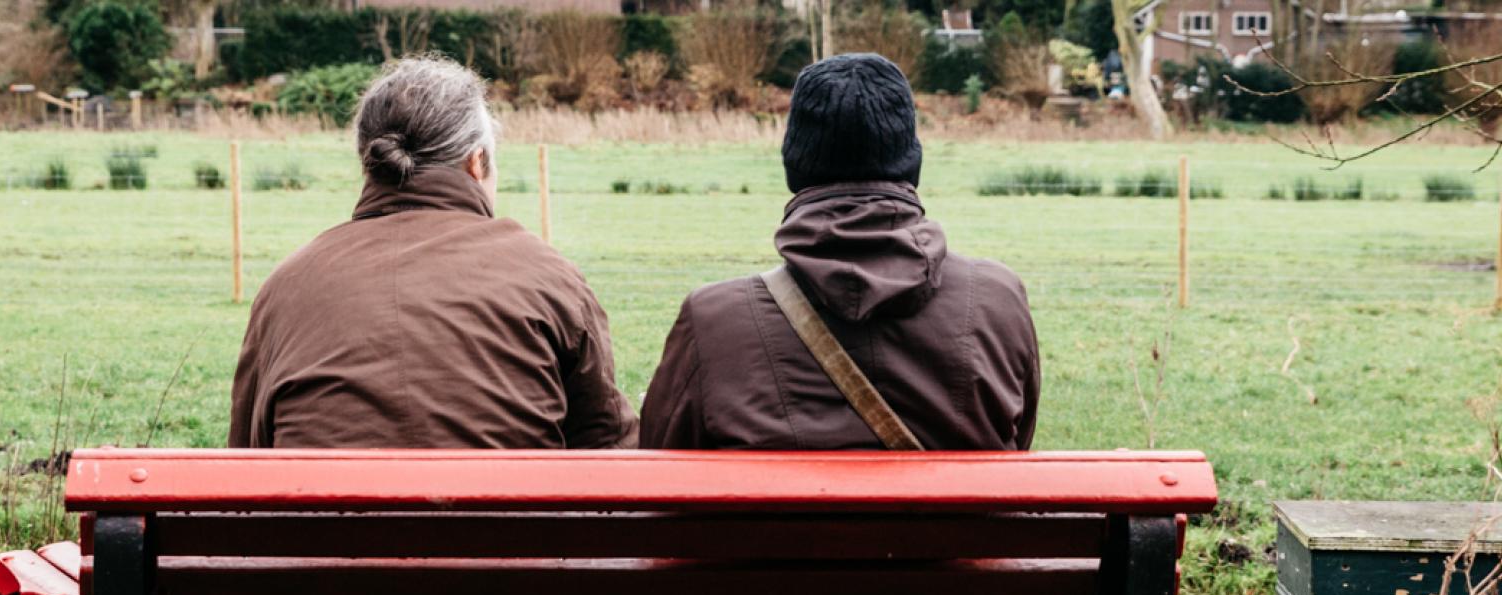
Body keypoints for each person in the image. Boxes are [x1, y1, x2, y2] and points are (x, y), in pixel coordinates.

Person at [229, 57, 637, 449]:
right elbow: (606, 444)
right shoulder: (549, 276)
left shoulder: (285, 287)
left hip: (324, 502)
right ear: (476, 163)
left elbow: (249, 449)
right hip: (500, 502)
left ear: (370, 165)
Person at [639, 53, 1039, 451]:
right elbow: (1019, 437)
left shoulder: (712, 319)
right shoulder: (998, 298)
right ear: (910, 161)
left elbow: (660, 459)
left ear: (796, 163)